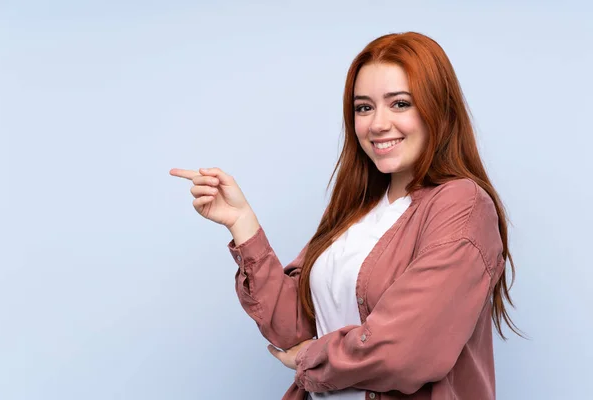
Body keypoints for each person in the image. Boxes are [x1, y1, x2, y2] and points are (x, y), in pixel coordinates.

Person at [170, 31, 521, 400]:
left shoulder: (461, 205)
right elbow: (293, 327)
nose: (377, 124)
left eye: (400, 104)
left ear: (439, 108)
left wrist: (310, 356)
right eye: (364, 107)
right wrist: (241, 222)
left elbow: (406, 351)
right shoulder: (355, 208)